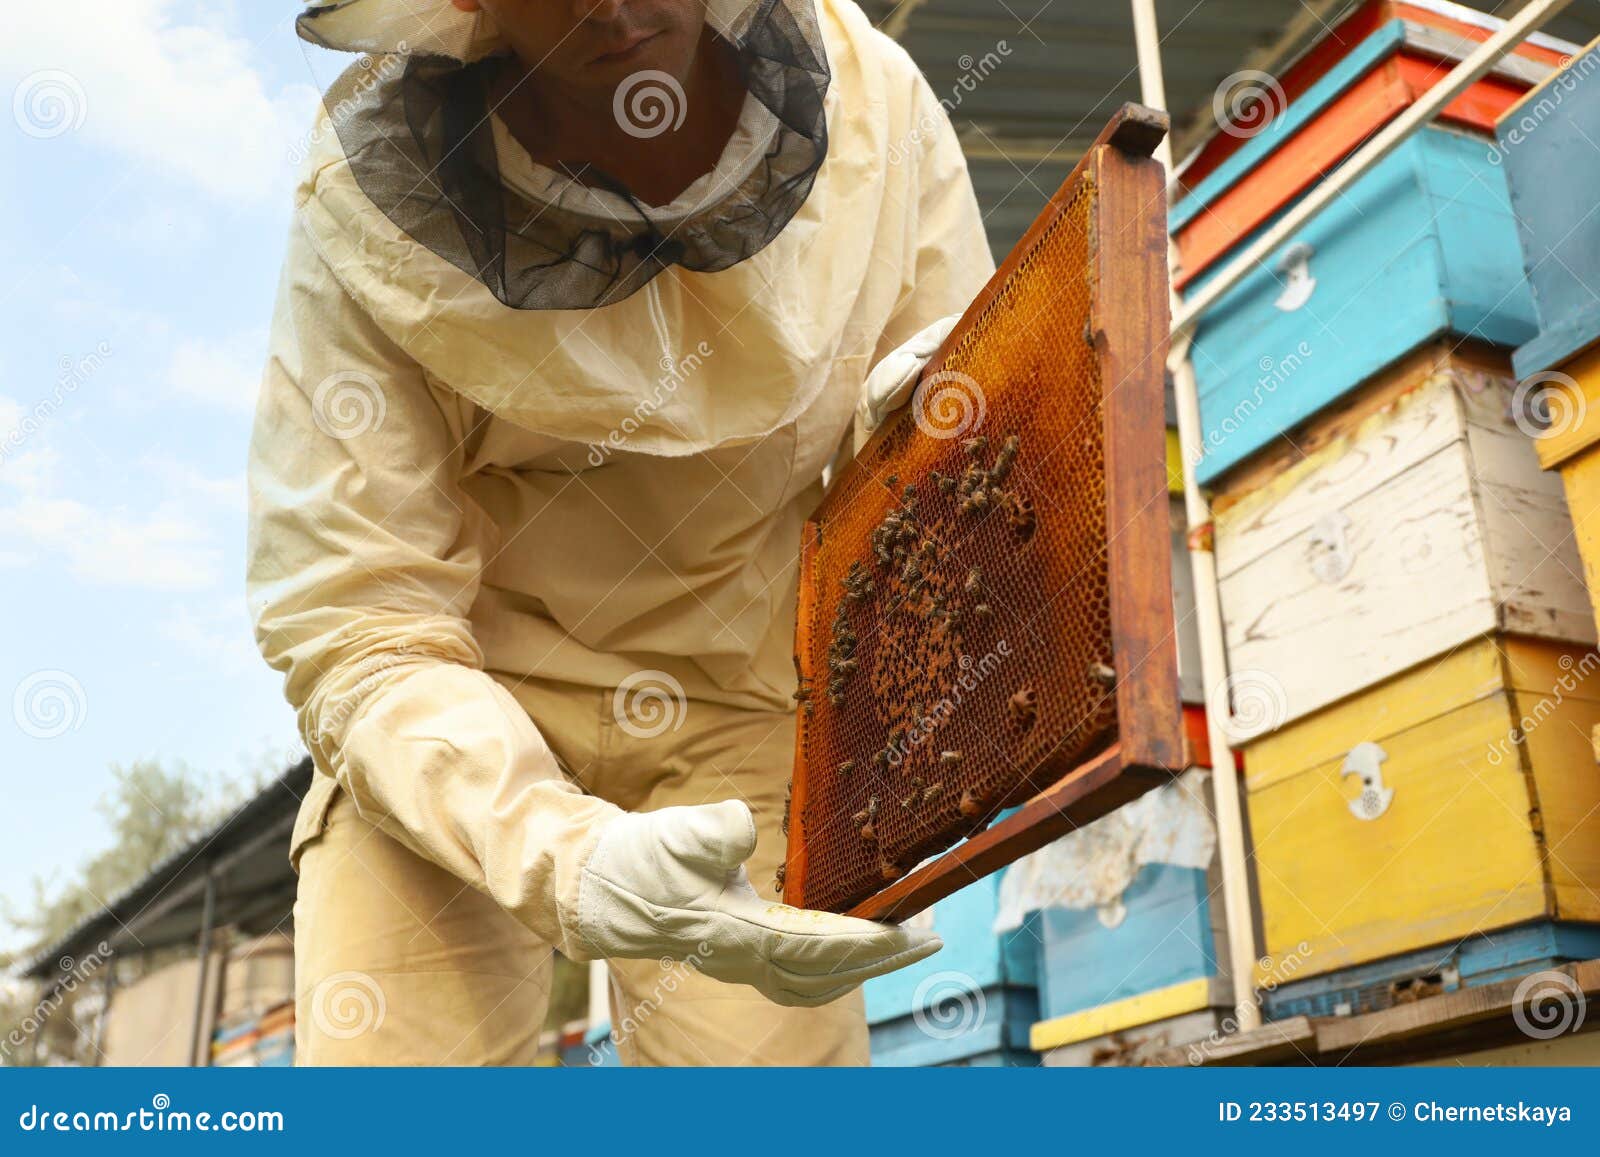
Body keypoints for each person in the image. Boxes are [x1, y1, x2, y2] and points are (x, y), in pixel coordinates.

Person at [248, 0, 994, 1066]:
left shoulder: (880, 110)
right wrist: (568, 858)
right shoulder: (366, 200)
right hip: (455, 717)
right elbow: (356, 608)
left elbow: (960, 420)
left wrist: (922, 443)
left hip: (739, 711)